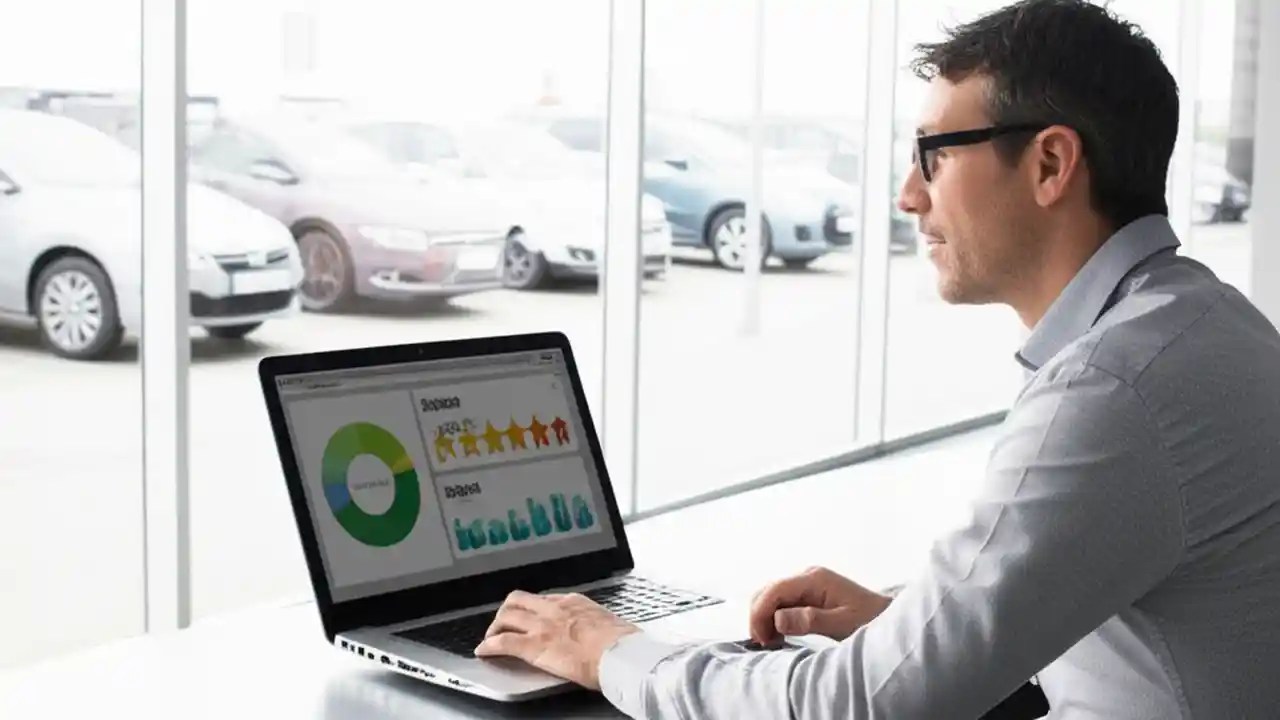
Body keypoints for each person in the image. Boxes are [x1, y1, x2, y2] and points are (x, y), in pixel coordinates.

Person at [473, 0, 1280, 716]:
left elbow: (859, 704)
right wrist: (916, 626)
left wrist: (612, 653)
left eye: (934, 153)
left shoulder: (1112, 388)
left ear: (1050, 165)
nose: (908, 193)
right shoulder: (1208, 324)